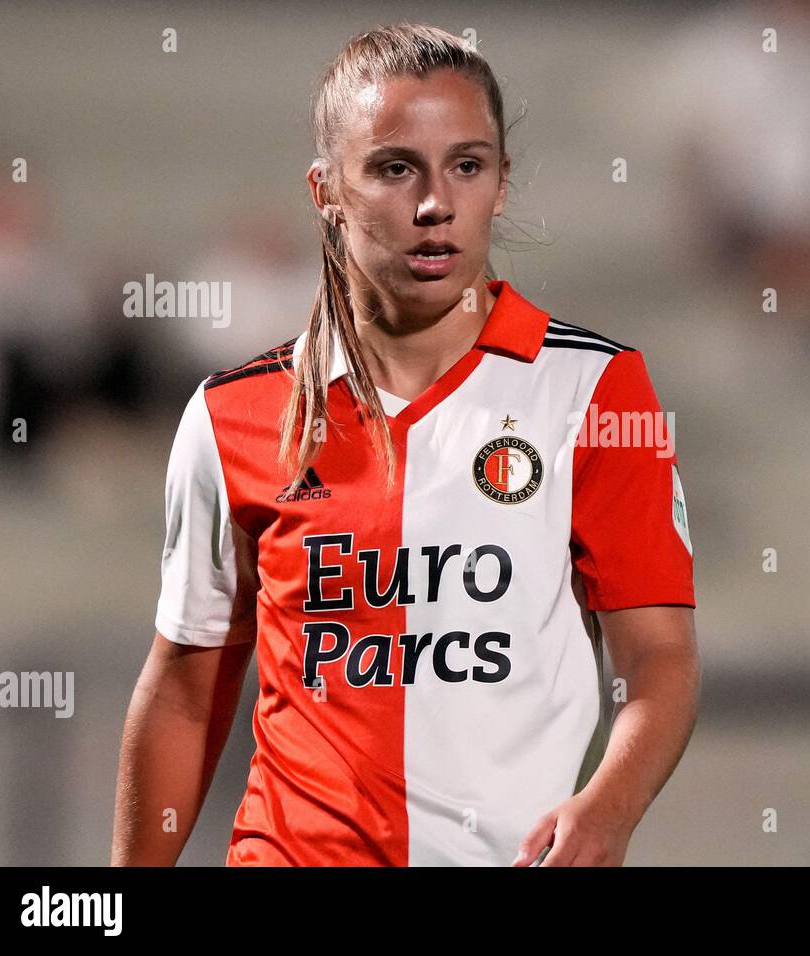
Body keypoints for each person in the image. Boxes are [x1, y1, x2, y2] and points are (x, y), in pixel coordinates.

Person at [112, 23, 699, 867]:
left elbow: (660, 656)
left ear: (501, 184)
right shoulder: (232, 416)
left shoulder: (593, 390)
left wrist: (609, 807)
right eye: (394, 168)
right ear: (326, 190)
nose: (436, 203)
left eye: (468, 165)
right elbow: (183, 686)